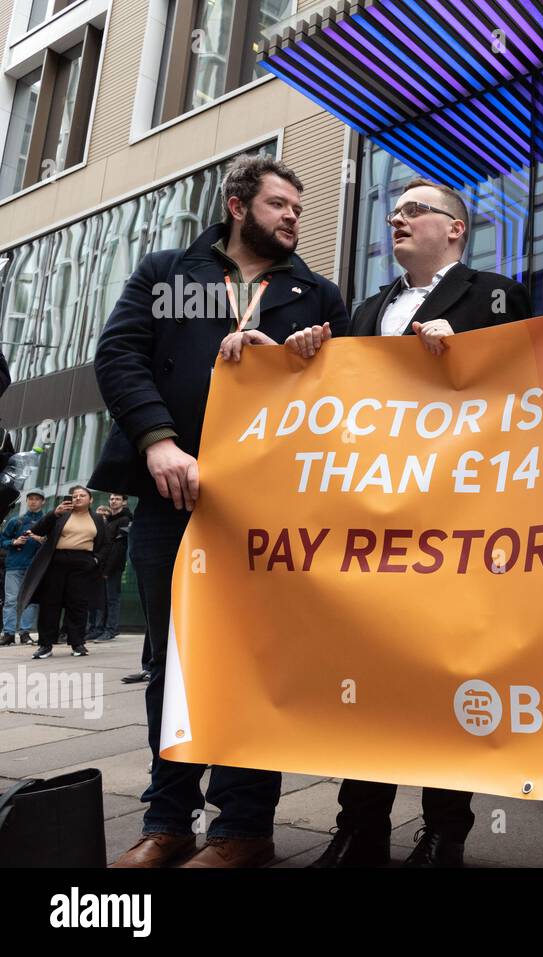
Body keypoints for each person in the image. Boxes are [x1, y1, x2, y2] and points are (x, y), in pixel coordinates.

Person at [91, 153, 349, 868]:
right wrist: (158, 441)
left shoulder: (316, 296)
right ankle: (166, 820)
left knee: (253, 657)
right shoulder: (168, 273)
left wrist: (297, 364)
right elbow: (119, 355)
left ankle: (243, 828)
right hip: (173, 496)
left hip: (269, 507)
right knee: (171, 658)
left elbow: (353, 398)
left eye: (299, 207)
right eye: (278, 205)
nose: (293, 216)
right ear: (238, 206)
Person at [282, 178, 532, 868]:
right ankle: (360, 825)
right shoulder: (366, 308)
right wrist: (304, 355)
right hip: (376, 522)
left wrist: (473, 344)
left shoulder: (495, 294)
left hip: (460, 520)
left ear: (455, 229)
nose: (398, 215)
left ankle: (444, 829)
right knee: (369, 672)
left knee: (449, 674)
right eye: (394, 208)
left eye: (416, 208)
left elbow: (537, 378)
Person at [17, 487, 108, 659]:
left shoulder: (97, 519)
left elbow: (105, 544)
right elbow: (37, 531)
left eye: (82, 496)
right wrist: (54, 513)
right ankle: (45, 645)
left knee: (78, 604)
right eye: (75, 496)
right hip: (56, 562)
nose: (78, 498)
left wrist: (96, 560)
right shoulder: (62, 514)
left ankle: (77, 643)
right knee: (50, 603)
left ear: (91, 500)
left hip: (83, 563)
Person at [1, 491, 46, 645]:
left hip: (35, 567)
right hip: (14, 565)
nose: (33, 502)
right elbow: (2, 540)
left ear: (43, 502)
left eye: (37, 499)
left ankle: (25, 633)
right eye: (31, 499)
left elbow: (54, 543)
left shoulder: (47, 521)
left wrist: (41, 540)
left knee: (31, 601)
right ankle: (8, 634)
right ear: (27, 501)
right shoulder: (16, 521)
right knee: (11, 601)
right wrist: (13, 542)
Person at [88, 493, 133, 643]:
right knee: (102, 599)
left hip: (113, 567)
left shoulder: (125, 519)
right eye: (112, 499)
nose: (114, 501)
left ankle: (111, 629)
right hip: (103, 566)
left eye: (117, 499)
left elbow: (119, 548)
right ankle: (99, 629)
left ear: (124, 502)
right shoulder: (109, 521)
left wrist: (108, 570)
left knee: (112, 599)